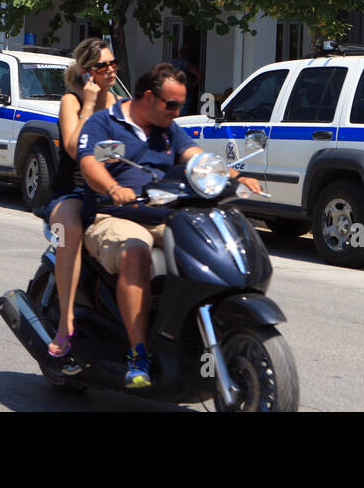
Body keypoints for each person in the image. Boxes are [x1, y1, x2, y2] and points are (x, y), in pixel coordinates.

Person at [76, 62, 261, 388]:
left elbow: (196, 157)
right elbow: (90, 162)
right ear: (149, 96)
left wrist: (235, 177)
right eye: (172, 104)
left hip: (167, 214)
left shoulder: (168, 129)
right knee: (136, 253)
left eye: (181, 105)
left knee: (212, 250)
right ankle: (139, 353)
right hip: (116, 215)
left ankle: (189, 330)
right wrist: (113, 187)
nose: (177, 111)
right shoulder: (104, 123)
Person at [43, 38, 120, 363]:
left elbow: (120, 148)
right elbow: (75, 149)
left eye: (113, 63)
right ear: (88, 72)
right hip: (71, 191)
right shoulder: (71, 101)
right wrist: (88, 105)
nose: (111, 70)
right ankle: (65, 322)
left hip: (106, 188)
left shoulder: (116, 100)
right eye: (104, 66)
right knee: (70, 229)